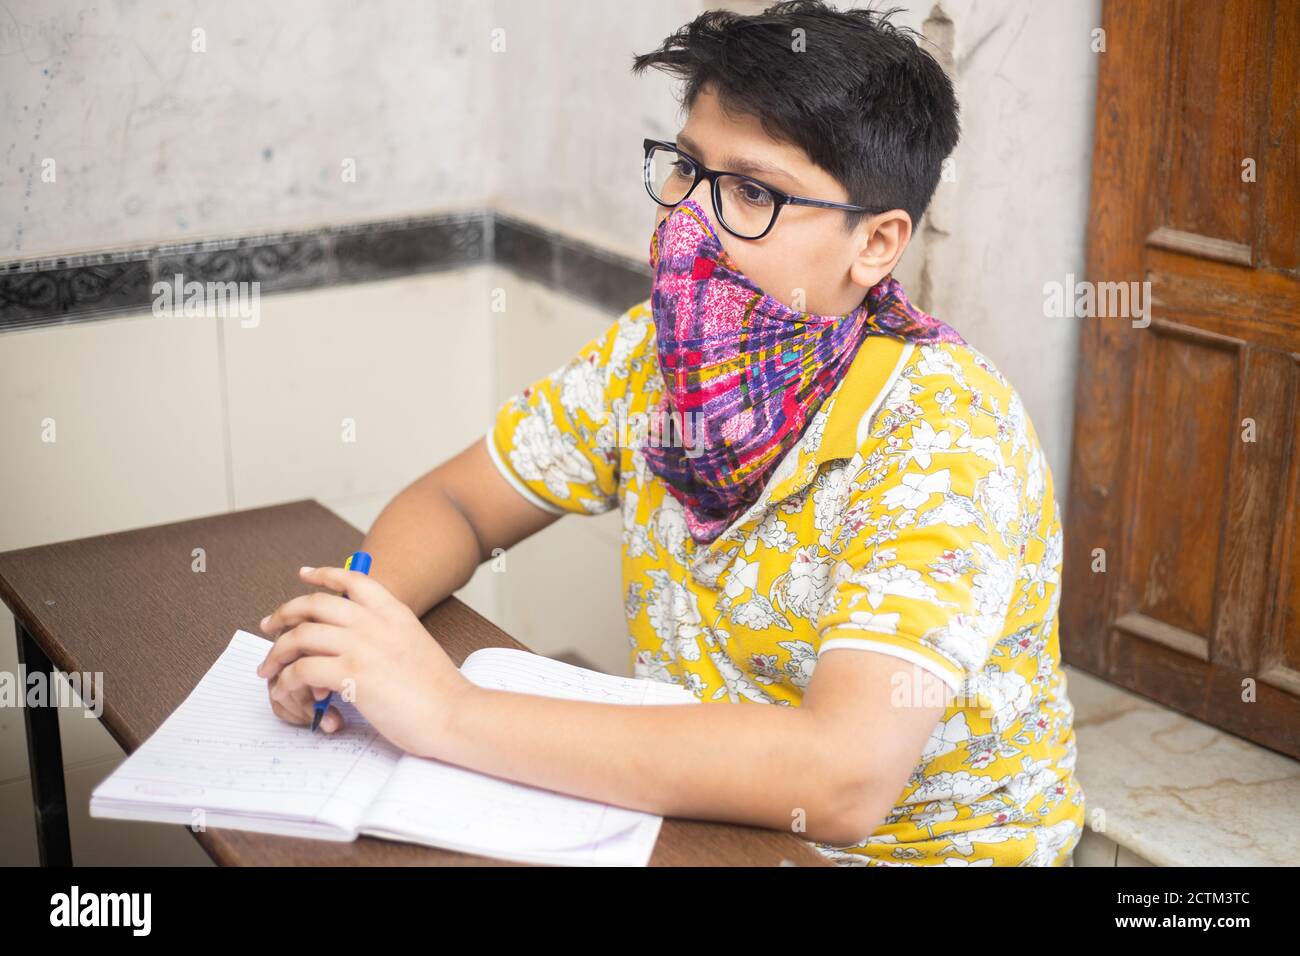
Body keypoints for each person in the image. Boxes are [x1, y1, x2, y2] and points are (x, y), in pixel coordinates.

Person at [257, 0, 1084, 866]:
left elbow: (844, 778)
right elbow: (460, 502)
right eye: (687, 170)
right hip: (696, 831)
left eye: (754, 191)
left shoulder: (946, 433)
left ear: (876, 243)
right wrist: (354, 635)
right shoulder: (654, 354)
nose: (687, 222)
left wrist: (444, 712)